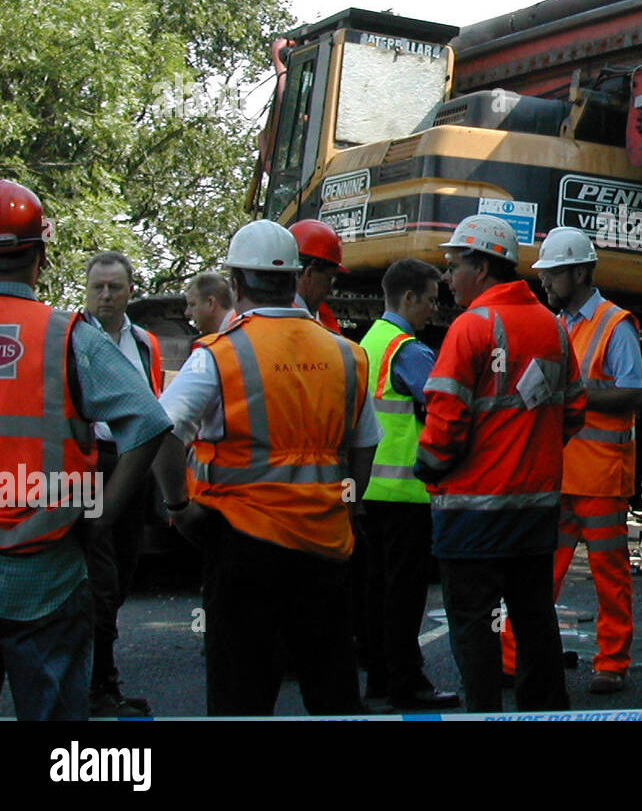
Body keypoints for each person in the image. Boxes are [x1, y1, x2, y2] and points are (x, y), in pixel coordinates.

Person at [154, 219, 379, 716]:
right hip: (326, 546)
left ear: (236, 284)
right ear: (295, 279)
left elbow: (162, 431)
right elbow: (365, 447)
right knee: (333, 692)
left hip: (242, 544)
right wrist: (344, 504)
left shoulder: (219, 354)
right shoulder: (347, 354)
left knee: (241, 695)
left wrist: (179, 508)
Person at [0, 180, 172, 721]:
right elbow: (149, 421)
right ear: (42, 258)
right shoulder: (68, 337)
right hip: (47, 564)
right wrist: (102, 516)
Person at [416, 214, 585, 713]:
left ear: (483, 268)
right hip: (534, 513)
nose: (447, 277)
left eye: (454, 266)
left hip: (472, 515)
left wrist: (429, 467)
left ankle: (485, 713)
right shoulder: (552, 328)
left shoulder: (471, 327)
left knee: (474, 625)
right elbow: (573, 410)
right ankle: (546, 712)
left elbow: (445, 420)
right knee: (535, 619)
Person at [501, 227, 642, 694]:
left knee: (608, 575)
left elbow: (635, 393)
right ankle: (513, 659)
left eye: (553, 273)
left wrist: (571, 394)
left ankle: (612, 664)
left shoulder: (614, 324)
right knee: (539, 574)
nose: (544, 282)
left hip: (600, 475)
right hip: (559, 472)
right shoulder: (559, 324)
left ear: (580, 273)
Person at [358, 258, 459, 710]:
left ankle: (381, 679)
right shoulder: (410, 351)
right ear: (409, 297)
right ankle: (407, 683)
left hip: (370, 490)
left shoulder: (369, 341)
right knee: (404, 595)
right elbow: (447, 405)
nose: (435, 310)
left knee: (376, 592)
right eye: (431, 300)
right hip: (405, 493)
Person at [83, 249, 165, 717]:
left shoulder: (145, 342)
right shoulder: (72, 337)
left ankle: (100, 680)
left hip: (132, 464)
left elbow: (152, 404)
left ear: (131, 290)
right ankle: (97, 685)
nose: (106, 296)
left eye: (115, 287)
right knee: (99, 580)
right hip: (89, 465)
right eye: (97, 287)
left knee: (124, 573)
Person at [290, 218, 345, 334]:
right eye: (329, 279)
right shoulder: (294, 321)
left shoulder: (323, 316)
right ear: (309, 273)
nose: (330, 290)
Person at [184, 271, 235, 336]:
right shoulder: (239, 329)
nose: (187, 313)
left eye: (192, 305)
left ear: (210, 302)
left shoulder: (234, 335)